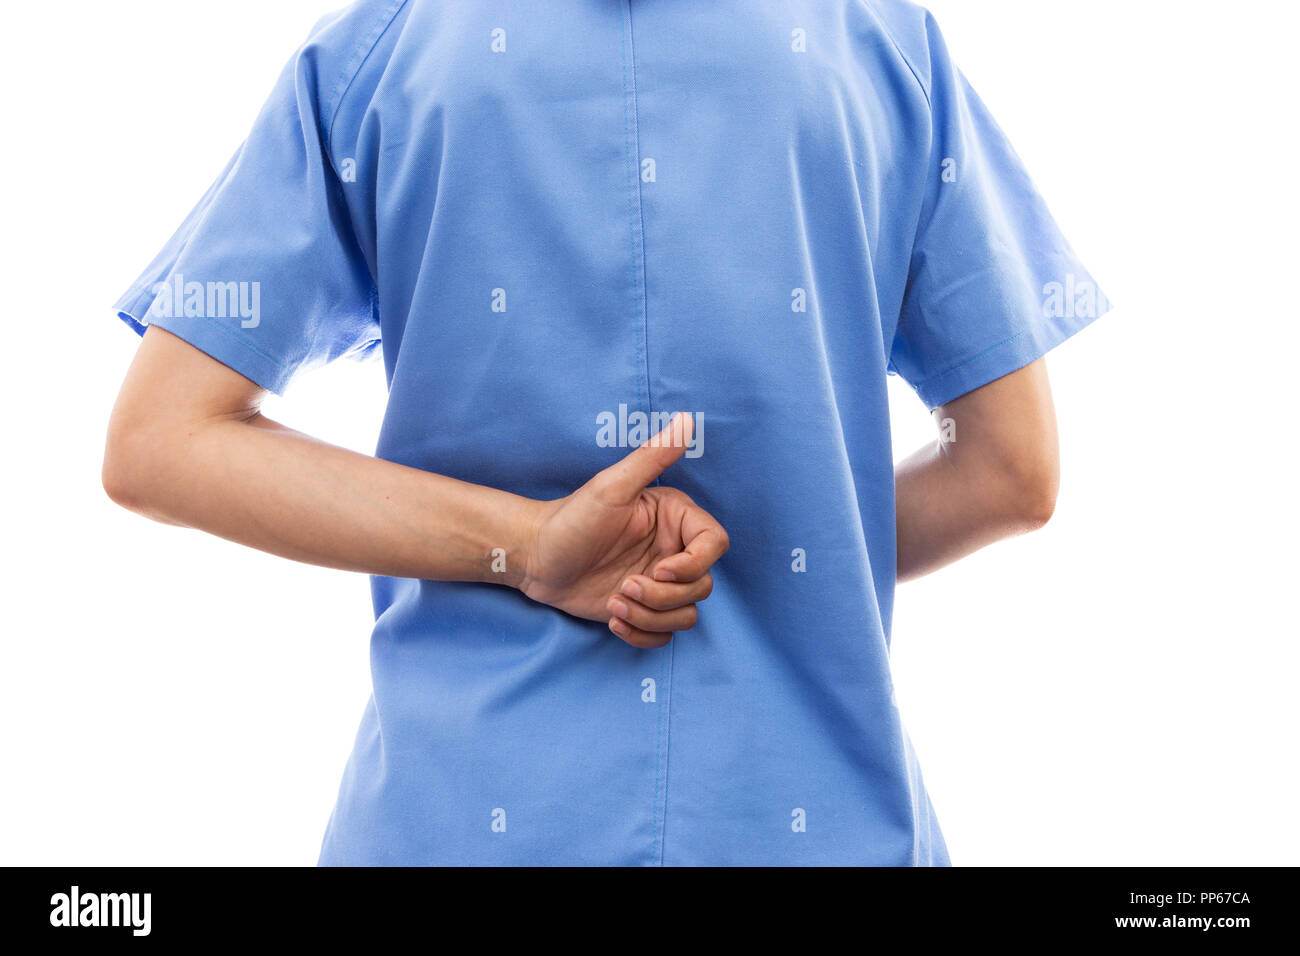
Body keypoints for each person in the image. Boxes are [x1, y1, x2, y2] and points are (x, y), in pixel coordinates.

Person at [104, 0, 1109, 866]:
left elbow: (164, 441)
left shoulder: (388, 48)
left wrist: (531, 546)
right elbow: (1010, 472)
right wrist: (769, 549)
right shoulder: (877, 43)